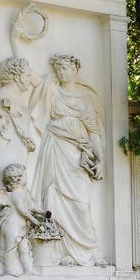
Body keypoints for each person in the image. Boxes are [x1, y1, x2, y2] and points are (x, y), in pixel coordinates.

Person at [30, 54, 106, 266]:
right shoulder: (51, 89)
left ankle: (89, 251)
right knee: (53, 197)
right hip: (55, 148)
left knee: (81, 203)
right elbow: (28, 74)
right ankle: (60, 252)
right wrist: (16, 38)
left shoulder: (85, 98)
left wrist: (100, 159)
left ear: (75, 69)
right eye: (59, 69)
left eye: (65, 68)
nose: (62, 72)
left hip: (78, 153)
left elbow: (93, 131)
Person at [0, 163, 44, 276]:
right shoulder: (15, 194)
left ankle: (28, 270)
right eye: (25, 175)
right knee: (11, 249)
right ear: (18, 179)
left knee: (24, 249)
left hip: (20, 227)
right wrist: (33, 220)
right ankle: (9, 270)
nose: (26, 177)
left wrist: (43, 212)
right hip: (12, 225)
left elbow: (31, 206)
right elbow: (23, 210)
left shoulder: (24, 192)